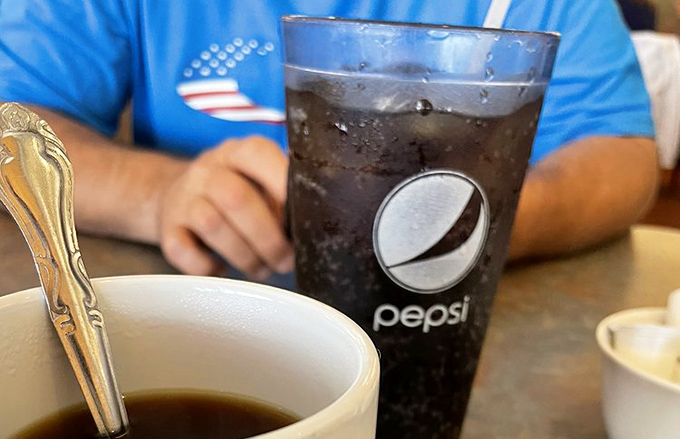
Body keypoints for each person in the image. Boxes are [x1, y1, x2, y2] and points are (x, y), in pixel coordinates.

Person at [0, 0, 659, 281]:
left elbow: (622, 155)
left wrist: (458, 230)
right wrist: (160, 193)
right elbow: (11, 122)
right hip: (197, 300)